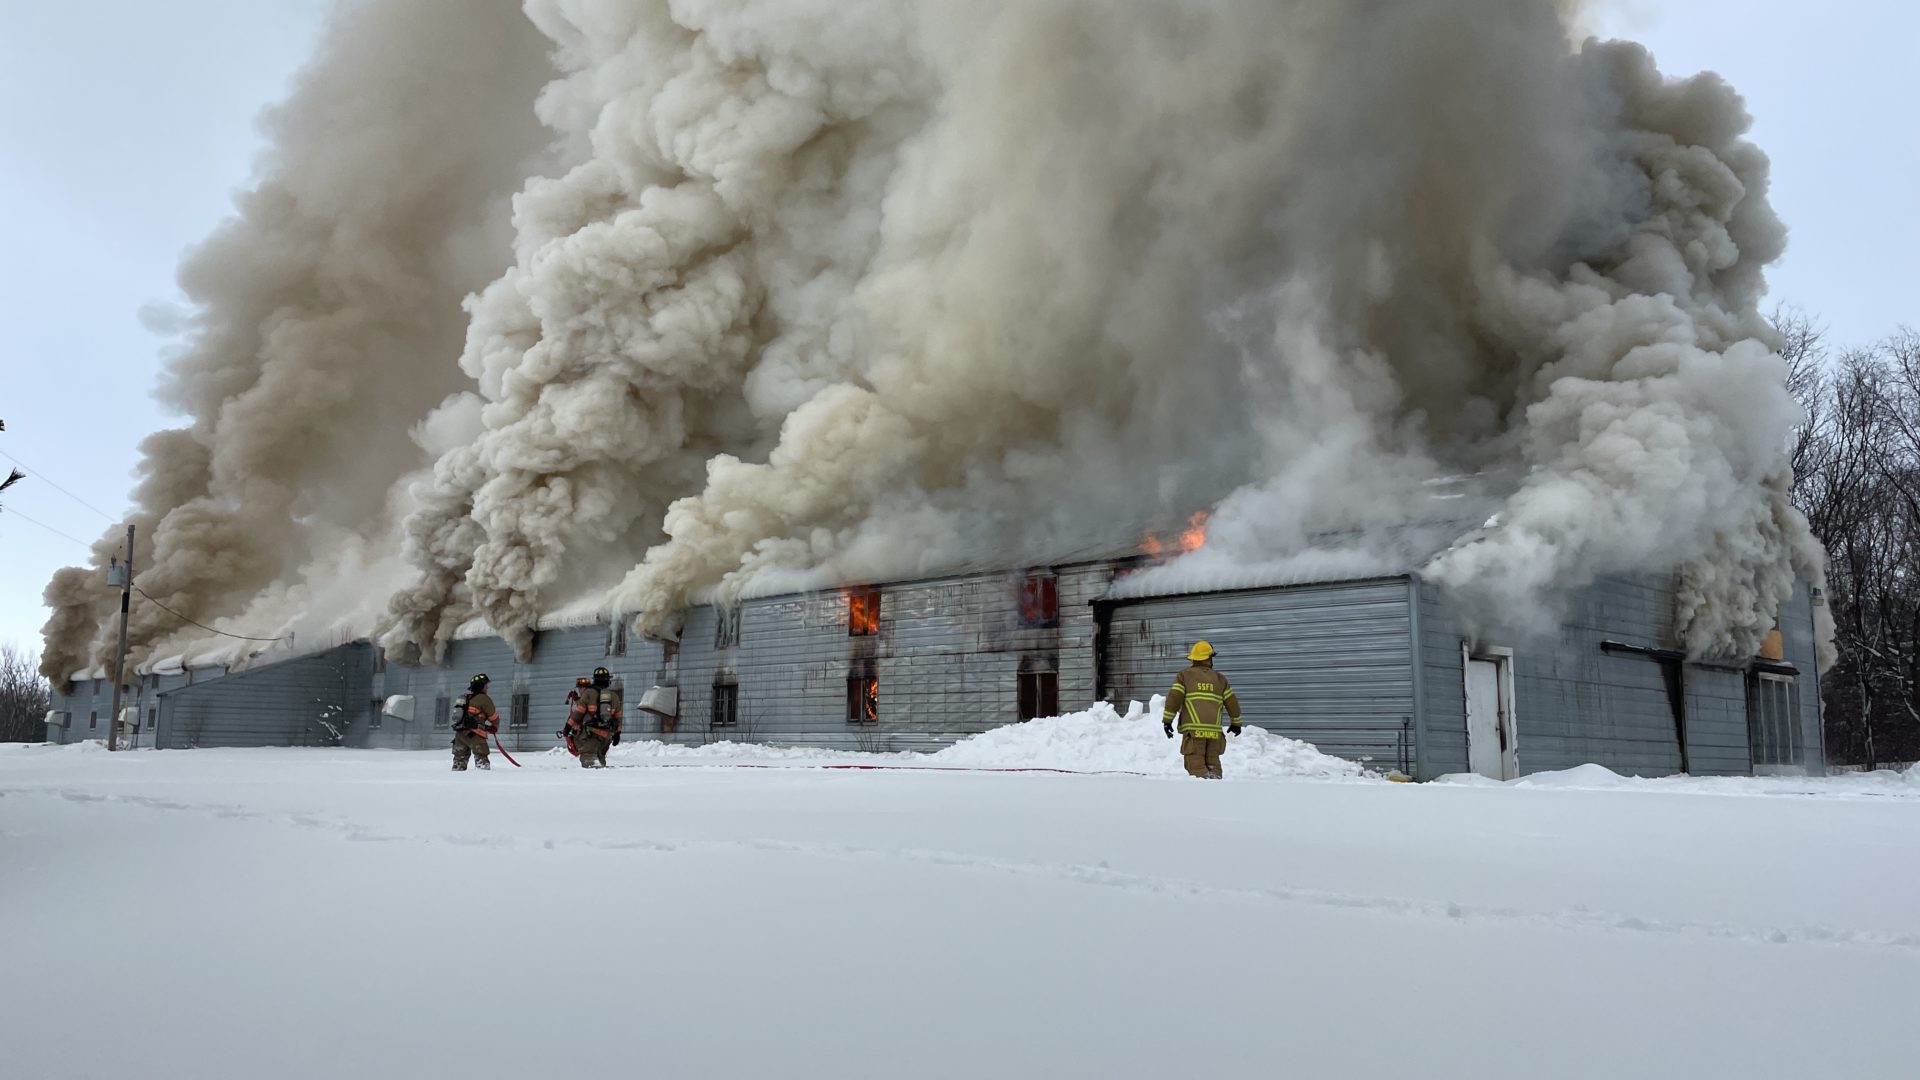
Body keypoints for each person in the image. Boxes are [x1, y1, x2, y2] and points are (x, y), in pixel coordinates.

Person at [1162, 641, 1241, 779]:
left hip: (1194, 730)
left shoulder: (1184, 676)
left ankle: (1202, 794)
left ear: (1194, 658)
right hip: (1214, 731)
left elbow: (1174, 698)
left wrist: (1167, 721)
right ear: (1208, 658)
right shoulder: (1220, 679)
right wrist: (1236, 723)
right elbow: (1232, 703)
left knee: (1195, 763)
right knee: (1213, 763)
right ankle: (1216, 790)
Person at [566, 667, 622, 768]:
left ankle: (591, 781)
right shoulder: (614, 696)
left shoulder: (589, 693)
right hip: (606, 736)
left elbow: (578, 713)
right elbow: (618, 718)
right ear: (608, 681)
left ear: (594, 680)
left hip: (590, 735)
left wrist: (567, 727)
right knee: (601, 759)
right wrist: (617, 734)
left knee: (589, 760)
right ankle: (602, 781)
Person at [452, 673, 499, 772]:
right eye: (486, 686)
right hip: (475, 733)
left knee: (459, 760)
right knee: (481, 758)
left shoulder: (466, 698)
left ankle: (455, 781)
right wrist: (494, 726)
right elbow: (493, 716)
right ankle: (482, 781)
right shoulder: (483, 698)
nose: (487, 688)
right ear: (481, 686)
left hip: (459, 734)